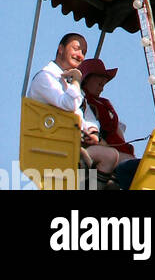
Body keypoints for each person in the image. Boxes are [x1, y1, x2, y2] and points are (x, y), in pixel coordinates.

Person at [28, 33, 120, 181]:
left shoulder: (74, 86)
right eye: (76, 49)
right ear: (61, 49)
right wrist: (77, 79)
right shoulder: (45, 77)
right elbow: (69, 105)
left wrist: (93, 131)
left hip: (72, 141)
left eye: (83, 52)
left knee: (112, 156)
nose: (80, 55)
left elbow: (87, 114)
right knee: (106, 156)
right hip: (50, 145)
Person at [80, 59, 140, 190]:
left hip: (118, 150)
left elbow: (118, 130)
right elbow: (89, 130)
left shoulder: (104, 103)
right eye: (99, 80)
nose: (103, 84)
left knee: (141, 166)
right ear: (86, 79)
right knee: (140, 168)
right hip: (104, 149)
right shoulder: (82, 101)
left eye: (104, 81)